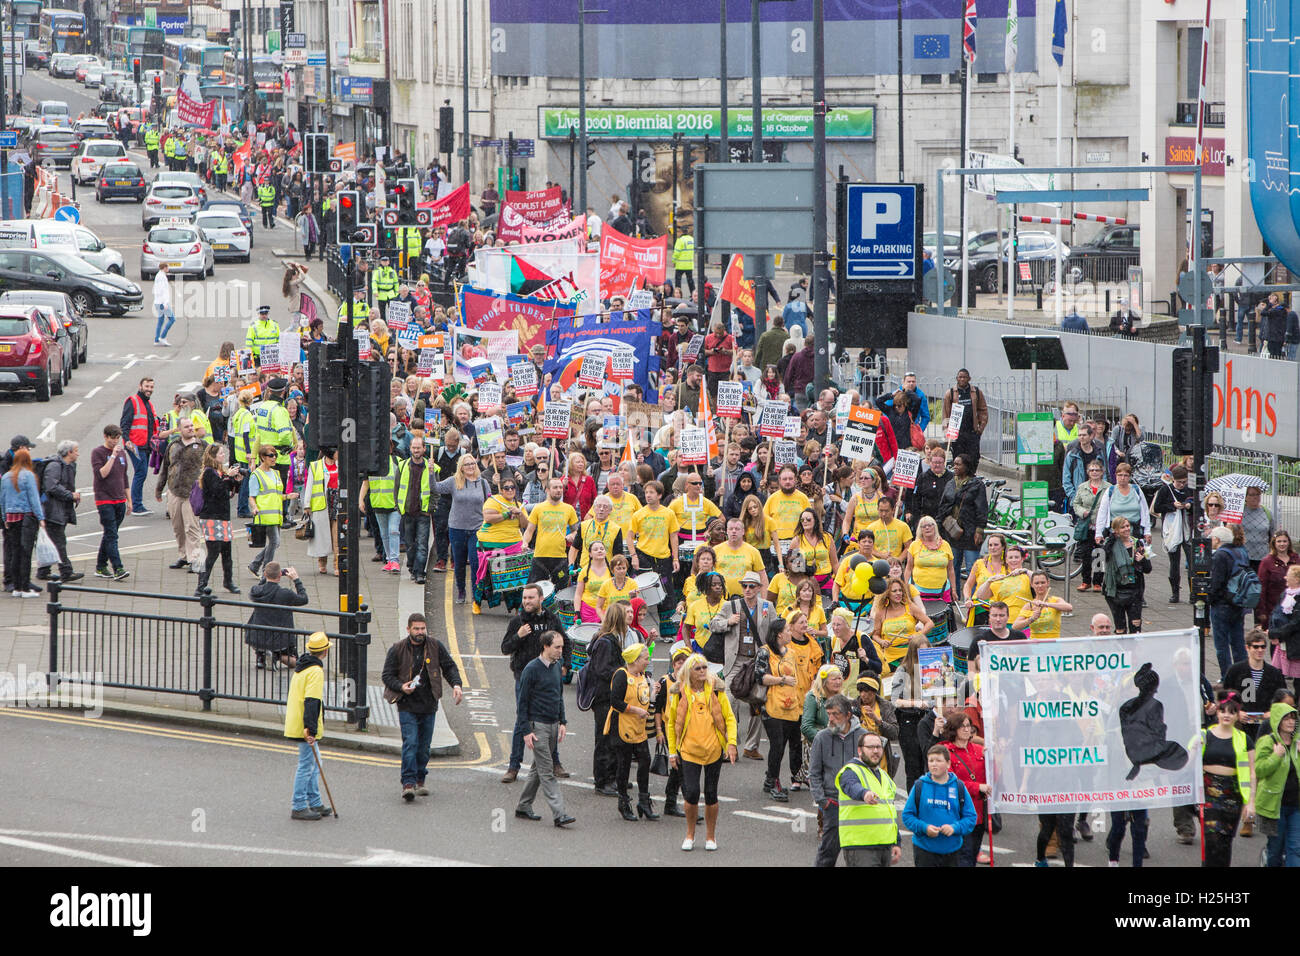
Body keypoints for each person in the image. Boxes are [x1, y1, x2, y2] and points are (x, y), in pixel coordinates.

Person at [382, 612, 464, 802]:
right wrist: (401, 687)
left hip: (429, 704)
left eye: (422, 628)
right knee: (411, 742)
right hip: (407, 705)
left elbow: (449, 667)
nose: (420, 632)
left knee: (424, 747)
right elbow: (387, 676)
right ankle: (408, 784)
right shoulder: (397, 649)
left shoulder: (435, 646)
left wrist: (457, 685)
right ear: (408, 629)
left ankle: (420, 779)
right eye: (416, 629)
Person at [666, 652, 738, 851]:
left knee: (711, 793)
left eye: (705, 668)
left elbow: (729, 718)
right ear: (689, 671)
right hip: (688, 751)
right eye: (698, 668)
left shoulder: (716, 690)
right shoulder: (679, 692)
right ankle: (690, 834)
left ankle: (710, 837)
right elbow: (671, 724)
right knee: (691, 793)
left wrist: (731, 744)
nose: (703, 671)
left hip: (713, 750)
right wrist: (673, 752)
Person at [500, 583, 570, 783]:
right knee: (522, 719)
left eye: (531, 598)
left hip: (548, 677)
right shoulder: (517, 622)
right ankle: (514, 766)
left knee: (552, 719)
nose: (526, 601)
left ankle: (555, 763)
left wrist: (565, 664)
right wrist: (518, 636)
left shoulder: (551, 619)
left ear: (541, 599)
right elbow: (505, 648)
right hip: (523, 676)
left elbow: (565, 642)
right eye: (524, 598)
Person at [512, 630, 575, 828]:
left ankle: (523, 806)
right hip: (537, 726)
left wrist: (563, 722)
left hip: (553, 725)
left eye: (562, 647)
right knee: (547, 771)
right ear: (546, 646)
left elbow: (559, 696)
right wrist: (525, 731)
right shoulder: (531, 669)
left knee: (537, 770)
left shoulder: (556, 667)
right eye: (557, 647)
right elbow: (522, 703)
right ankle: (560, 814)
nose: (561, 651)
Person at [604, 642, 659, 822]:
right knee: (624, 764)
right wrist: (636, 711)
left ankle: (644, 800)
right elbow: (615, 702)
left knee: (645, 760)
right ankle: (623, 802)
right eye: (645, 658)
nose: (647, 661)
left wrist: (653, 695)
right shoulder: (621, 675)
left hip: (638, 726)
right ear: (635, 660)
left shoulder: (642, 676)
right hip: (622, 725)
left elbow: (644, 700)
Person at [833, 730, 902, 867]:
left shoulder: (884, 776)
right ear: (860, 750)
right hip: (861, 845)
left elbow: (890, 811)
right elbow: (851, 786)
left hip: (885, 844)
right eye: (870, 747)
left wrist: (896, 842)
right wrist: (864, 794)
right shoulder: (850, 771)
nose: (875, 751)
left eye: (878, 747)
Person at [901, 744, 978, 867]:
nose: (934, 764)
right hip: (924, 850)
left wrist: (955, 828)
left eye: (938, 760)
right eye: (931, 760)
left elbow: (971, 818)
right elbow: (907, 816)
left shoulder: (959, 787)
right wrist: (924, 827)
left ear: (948, 764)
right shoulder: (920, 786)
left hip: (952, 851)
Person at [1200, 694, 1255, 866]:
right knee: (1212, 838)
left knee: (1224, 841)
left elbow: (1252, 772)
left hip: (1233, 794)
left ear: (1237, 715)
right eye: (1223, 711)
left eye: (1232, 712)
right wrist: (1194, 748)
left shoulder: (1245, 739)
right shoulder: (1203, 735)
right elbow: (1186, 763)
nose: (1226, 715)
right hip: (1208, 793)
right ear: (1217, 712)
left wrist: (1250, 802)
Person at [284, 632, 331, 820]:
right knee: (307, 765)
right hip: (304, 725)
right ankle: (299, 805)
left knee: (314, 762)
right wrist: (311, 729)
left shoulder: (302, 666)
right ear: (325, 651)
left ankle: (315, 802)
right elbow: (312, 701)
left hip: (296, 721)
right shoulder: (316, 671)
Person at [435, 455, 493, 602]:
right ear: (461, 467)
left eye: (472, 463)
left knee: (475, 563)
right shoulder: (454, 482)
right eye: (467, 464)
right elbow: (435, 487)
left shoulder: (483, 483)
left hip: (477, 529)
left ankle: (476, 595)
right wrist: (430, 473)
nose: (470, 467)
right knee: (459, 564)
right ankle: (461, 591)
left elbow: (490, 502)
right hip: (457, 528)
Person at [941, 709, 991, 866]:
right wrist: (978, 787)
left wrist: (998, 758)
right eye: (962, 726)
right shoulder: (946, 751)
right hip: (958, 811)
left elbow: (993, 777)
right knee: (965, 855)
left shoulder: (979, 750)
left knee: (973, 851)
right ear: (953, 729)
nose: (966, 729)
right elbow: (949, 782)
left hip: (979, 810)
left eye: (968, 725)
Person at [1254, 700, 1300, 866]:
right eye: (1286, 718)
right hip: (1275, 806)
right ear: (1277, 720)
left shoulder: (1298, 742)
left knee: (1295, 848)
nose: (1290, 722)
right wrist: (1276, 756)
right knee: (1276, 849)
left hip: (1296, 805)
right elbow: (1259, 770)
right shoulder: (1267, 741)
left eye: (1293, 718)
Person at [194, 443, 242, 596]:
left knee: (227, 551)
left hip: (223, 517)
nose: (224, 456)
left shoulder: (220, 472)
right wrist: (229, 477)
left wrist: (236, 480)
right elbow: (218, 491)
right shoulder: (209, 473)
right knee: (213, 552)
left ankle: (228, 581)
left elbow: (230, 490)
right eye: (221, 453)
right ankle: (201, 586)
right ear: (213, 456)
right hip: (211, 517)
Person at [244, 562, 308, 669]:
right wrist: (296, 580)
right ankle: (276, 656)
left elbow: (262, 585)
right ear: (279, 576)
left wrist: (269, 575)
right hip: (280, 639)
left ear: (264, 574)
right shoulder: (285, 594)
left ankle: (261, 657)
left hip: (257, 636)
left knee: (262, 643)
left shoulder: (256, 591)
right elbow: (304, 599)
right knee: (296, 663)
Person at [938, 453, 987, 590]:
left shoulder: (977, 485)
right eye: (954, 464)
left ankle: (973, 598)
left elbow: (982, 508)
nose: (955, 467)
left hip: (970, 531)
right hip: (952, 531)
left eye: (958, 464)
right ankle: (954, 596)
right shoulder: (950, 483)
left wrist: (979, 530)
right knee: (953, 566)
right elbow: (943, 505)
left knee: (973, 567)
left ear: (967, 466)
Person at [1209, 523, 1252, 676]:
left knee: (1222, 645)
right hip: (1238, 603)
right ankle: (1243, 676)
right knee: (1238, 643)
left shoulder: (1220, 555)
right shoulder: (1241, 552)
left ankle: (1227, 677)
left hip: (1222, 605)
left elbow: (1217, 582)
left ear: (1217, 539)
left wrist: (1209, 598)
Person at [1, 449, 45, 597]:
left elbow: (2, 499)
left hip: (11, 518)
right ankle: (25, 588)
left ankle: (16, 588)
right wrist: (40, 517)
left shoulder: (6, 476)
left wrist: (5, 518)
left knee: (15, 552)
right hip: (26, 518)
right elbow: (34, 498)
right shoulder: (28, 476)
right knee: (26, 553)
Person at [90, 425, 131, 582]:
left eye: (117, 438)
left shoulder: (122, 452)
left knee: (109, 534)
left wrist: (129, 499)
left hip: (119, 499)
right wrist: (112, 456)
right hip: (104, 499)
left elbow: (124, 476)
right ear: (105, 436)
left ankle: (100, 566)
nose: (115, 441)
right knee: (112, 535)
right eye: (112, 438)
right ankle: (118, 568)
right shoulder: (98, 453)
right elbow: (102, 474)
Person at [524, 476, 579, 590]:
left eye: (560, 487)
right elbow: (530, 530)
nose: (558, 490)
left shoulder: (569, 509)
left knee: (561, 590)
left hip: (560, 557)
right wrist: (525, 543)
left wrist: (572, 536)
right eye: (555, 487)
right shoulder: (538, 508)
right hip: (540, 556)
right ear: (547, 490)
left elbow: (576, 531)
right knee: (533, 589)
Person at [120, 377, 159, 516]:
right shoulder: (133, 401)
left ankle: (136, 504)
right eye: (147, 386)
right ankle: (136, 505)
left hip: (145, 445)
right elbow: (124, 423)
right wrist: (126, 440)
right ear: (140, 386)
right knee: (141, 472)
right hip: (135, 445)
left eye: (151, 387)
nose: (149, 389)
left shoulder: (148, 404)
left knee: (141, 472)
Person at [1071, 458, 1110, 594]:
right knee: (1086, 554)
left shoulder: (1108, 488)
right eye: (1092, 470)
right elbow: (1076, 504)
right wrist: (1082, 512)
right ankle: (1086, 580)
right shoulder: (1083, 487)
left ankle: (1098, 582)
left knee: (1100, 553)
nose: (1094, 472)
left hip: (1102, 526)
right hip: (1087, 525)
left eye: (1097, 470)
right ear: (1088, 472)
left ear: (1102, 471)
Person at [941, 369, 987, 468]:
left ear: (969, 378)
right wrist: (946, 432)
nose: (962, 379)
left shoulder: (977, 392)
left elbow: (983, 411)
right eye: (960, 377)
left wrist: (980, 429)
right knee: (958, 458)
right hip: (957, 433)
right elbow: (946, 414)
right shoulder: (950, 393)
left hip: (972, 432)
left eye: (964, 377)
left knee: (974, 457)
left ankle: (971, 477)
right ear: (956, 378)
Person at [1014, 571, 1074, 640]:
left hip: (1053, 642)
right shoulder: (1029, 605)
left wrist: (1047, 604)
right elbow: (1015, 626)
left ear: (1048, 583)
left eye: (1043, 582)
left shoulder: (1055, 600)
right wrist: (1031, 619)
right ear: (1031, 584)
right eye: (1036, 583)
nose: (1040, 586)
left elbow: (1069, 607)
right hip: (1035, 643)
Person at [153, 261, 175, 346]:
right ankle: (162, 337)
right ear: (164, 268)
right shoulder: (162, 277)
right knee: (172, 319)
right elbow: (163, 291)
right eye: (167, 267)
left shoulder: (158, 276)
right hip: (162, 303)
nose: (168, 269)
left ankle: (156, 340)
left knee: (160, 321)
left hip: (158, 302)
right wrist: (165, 303)